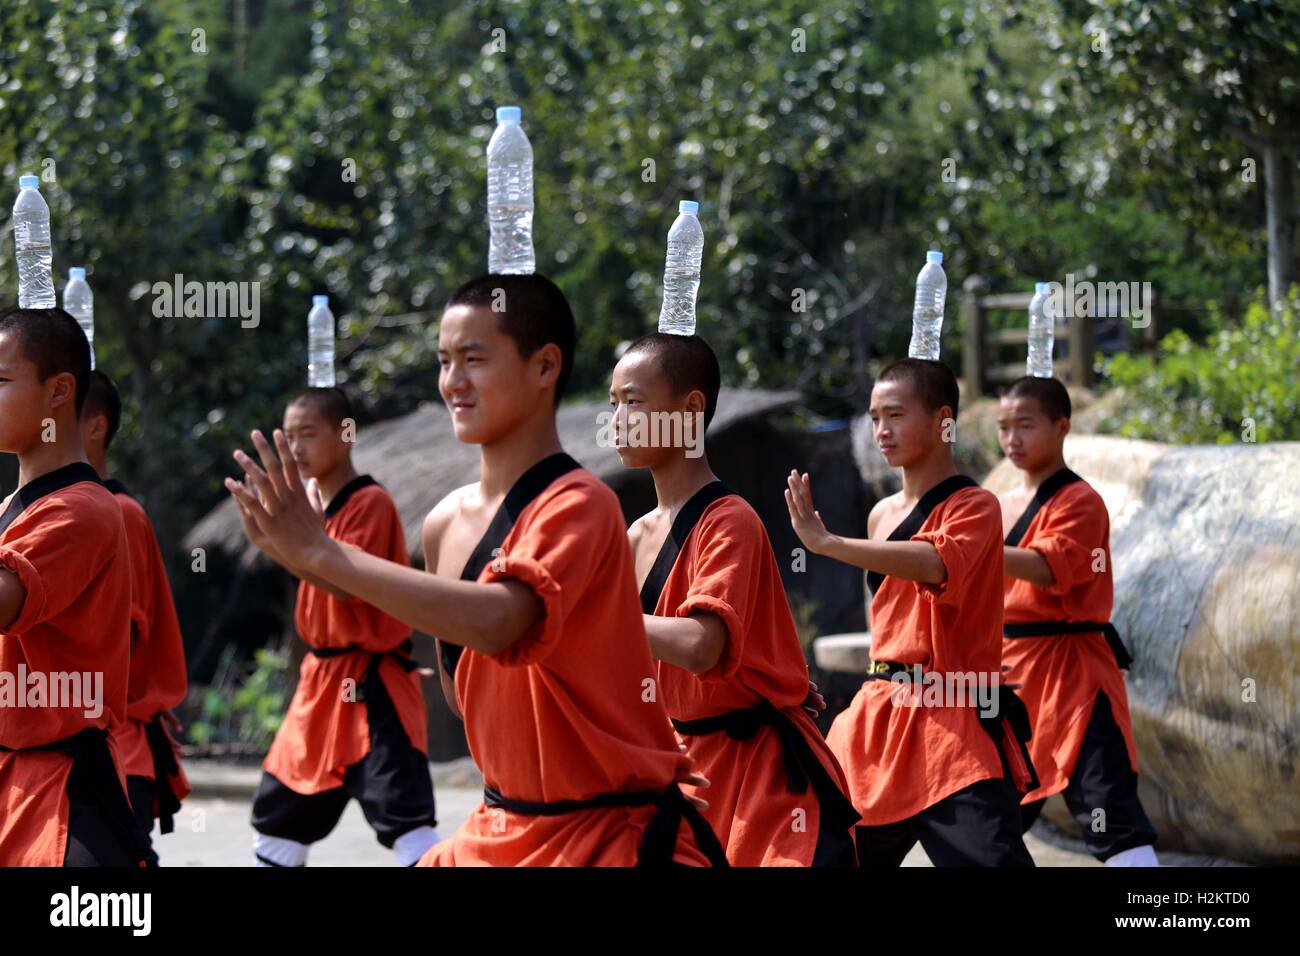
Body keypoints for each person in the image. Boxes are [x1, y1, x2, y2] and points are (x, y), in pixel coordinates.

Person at [226, 274, 726, 866]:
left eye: (474, 358)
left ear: (545, 367)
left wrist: (322, 555)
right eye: (443, 361)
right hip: (500, 828)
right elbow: (469, 698)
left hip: (605, 837)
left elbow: (501, 623)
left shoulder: (581, 503)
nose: (452, 381)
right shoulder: (442, 523)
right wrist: (301, 552)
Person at [612, 332, 858, 866]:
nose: (617, 421)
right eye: (613, 405)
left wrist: (591, 617)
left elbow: (702, 646)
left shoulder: (730, 520)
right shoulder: (634, 536)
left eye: (633, 401)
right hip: (681, 769)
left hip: (759, 776)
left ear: (691, 408)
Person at [786, 357, 1035, 866]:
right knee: (826, 854)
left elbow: (934, 563)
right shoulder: (880, 515)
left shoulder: (976, 505)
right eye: (875, 417)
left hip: (953, 719)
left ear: (944, 419)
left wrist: (829, 542)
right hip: (880, 716)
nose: (882, 430)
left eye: (895, 414)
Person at [245, 386, 439, 867]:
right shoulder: (314, 508)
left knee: (406, 821)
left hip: (372, 684)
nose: (295, 450)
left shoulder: (368, 501)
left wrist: (282, 546)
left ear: (346, 435)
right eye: (288, 437)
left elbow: (350, 586)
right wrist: (273, 543)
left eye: (308, 434)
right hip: (323, 684)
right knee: (278, 820)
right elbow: (322, 572)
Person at [0, 307, 146, 866]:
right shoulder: (12, 510)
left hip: (62, 788)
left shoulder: (85, 508)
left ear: (59, 390)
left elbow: (6, 601)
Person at [996, 375, 1158, 866]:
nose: (1012, 440)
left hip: (1075, 677)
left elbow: (1049, 568)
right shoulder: (998, 505)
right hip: (1010, 676)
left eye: (1025, 425)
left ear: (1062, 427)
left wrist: (975, 551)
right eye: (1003, 427)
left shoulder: (1080, 501)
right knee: (989, 816)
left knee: (1107, 808)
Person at [80, 370, 191, 866]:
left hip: (110, 746)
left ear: (95, 426)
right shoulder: (37, 508)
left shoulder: (117, 513)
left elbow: (109, 641)